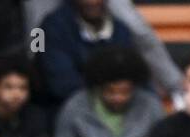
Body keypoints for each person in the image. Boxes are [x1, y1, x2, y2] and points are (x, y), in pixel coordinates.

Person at [37, 0, 182, 110]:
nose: (93, 2)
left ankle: (178, 88)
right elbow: (62, 83)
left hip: (118, 104)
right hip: (79, 106)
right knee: (35, 34)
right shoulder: (51, 27)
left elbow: (136, 70)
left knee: (149, 101)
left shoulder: (121, 29)